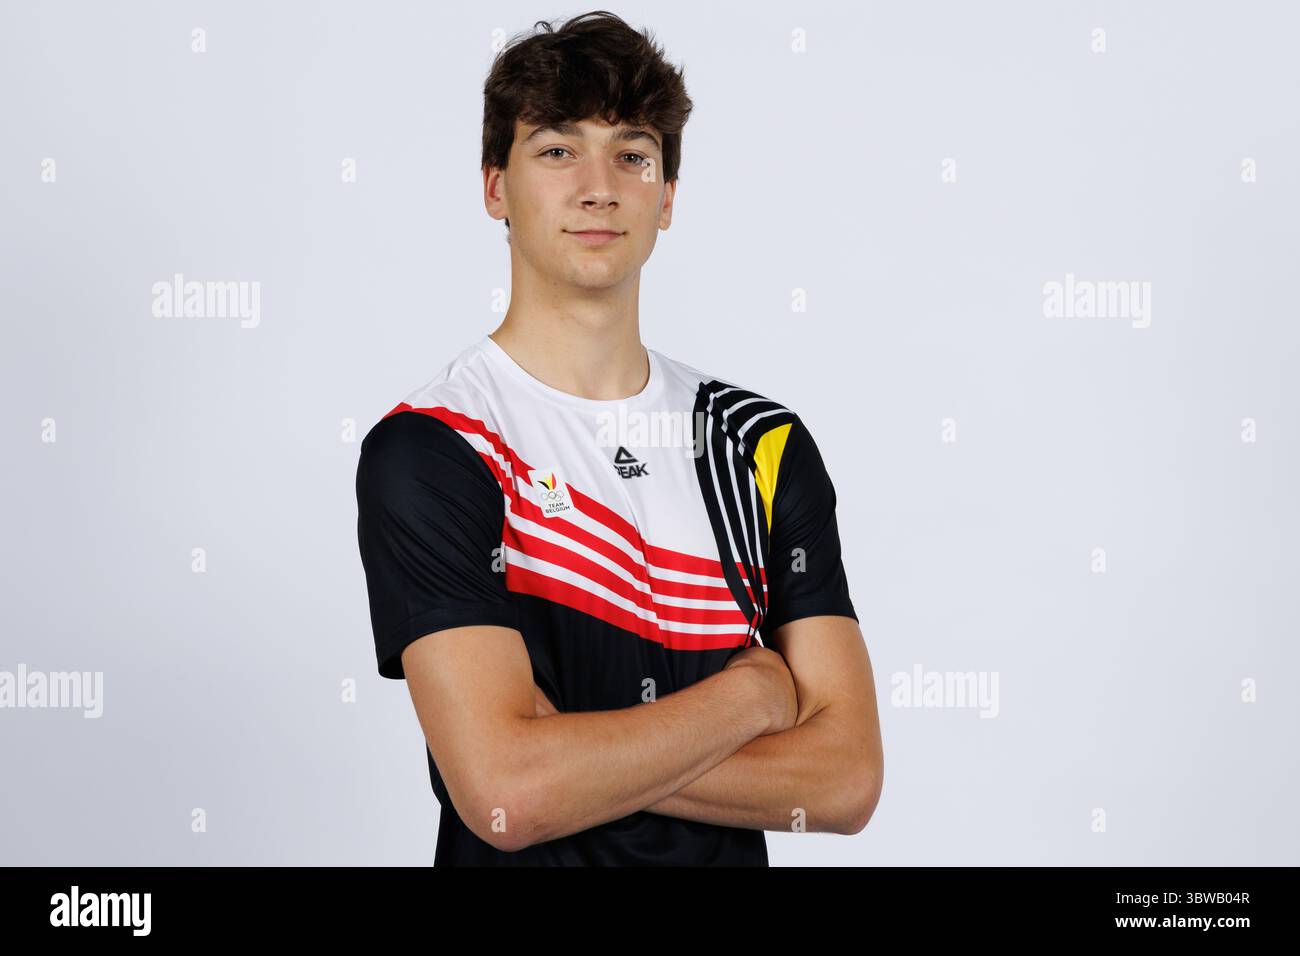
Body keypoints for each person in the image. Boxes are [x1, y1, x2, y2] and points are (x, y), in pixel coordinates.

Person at [355, 10, 883, 865]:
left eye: (633, 155)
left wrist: (572, 754)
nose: (599, 186)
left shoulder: (760, 443)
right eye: (558, 150)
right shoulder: (435, 447)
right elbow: (507, 797)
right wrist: (750, 699)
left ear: (667, 197)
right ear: (495, 186)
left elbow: (847, 781)